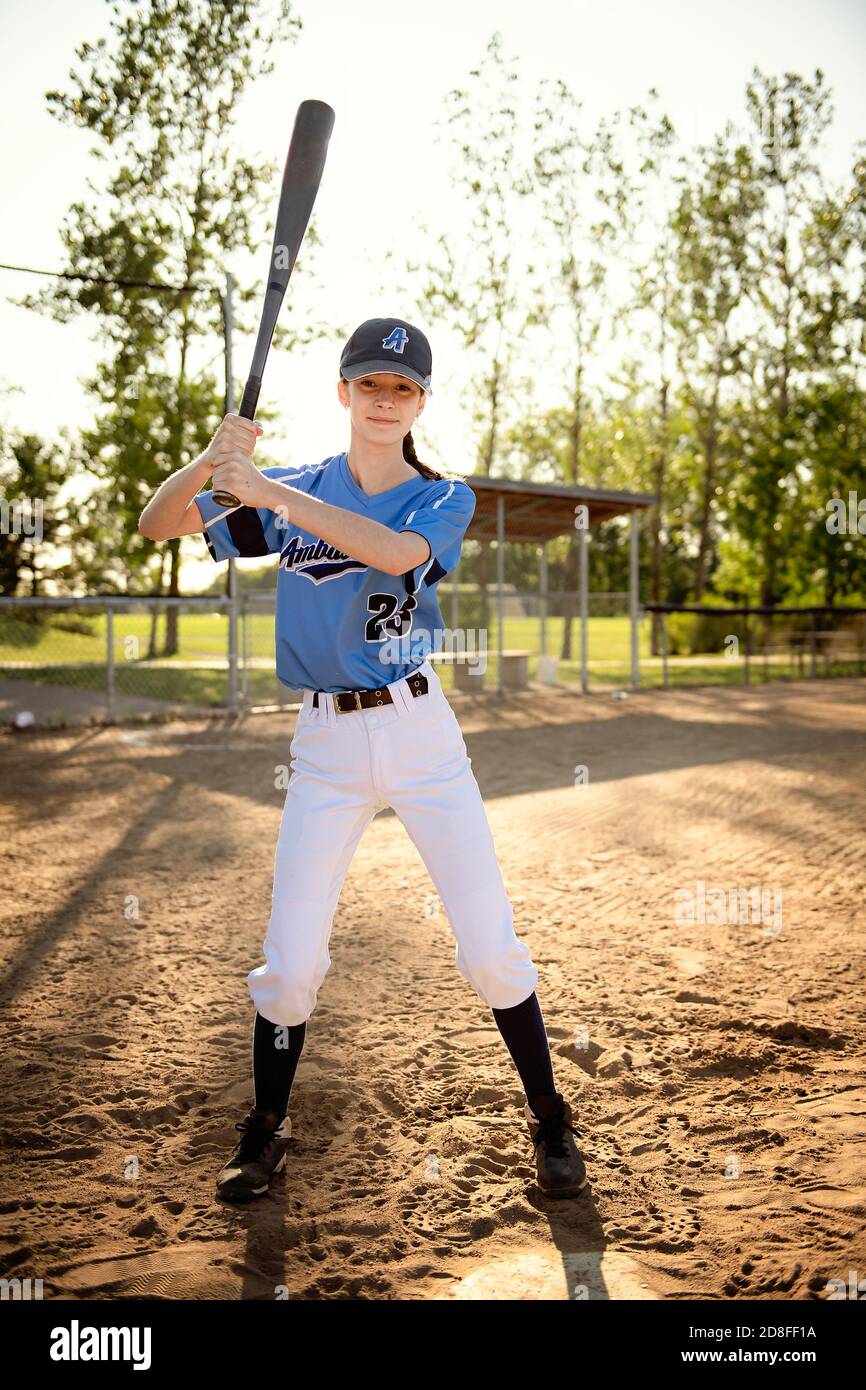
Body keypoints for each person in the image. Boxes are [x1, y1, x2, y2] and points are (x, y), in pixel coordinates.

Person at [138, 316, 587, 1202]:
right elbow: (159, 525)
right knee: (290, 962)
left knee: (491, 951)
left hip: (421, 736)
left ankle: (550, 1116)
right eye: (369, 384)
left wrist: (268, 492)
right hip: (326, 745)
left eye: (403, 388)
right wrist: (212, 457)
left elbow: (388, 552)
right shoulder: (288, 484)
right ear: (343, 392)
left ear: (421, 401)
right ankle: (265, 1129)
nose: (385, 400)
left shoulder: (438, 496)